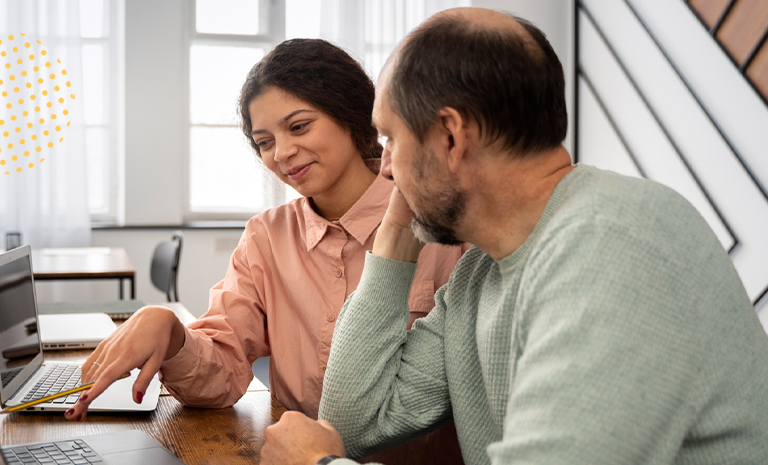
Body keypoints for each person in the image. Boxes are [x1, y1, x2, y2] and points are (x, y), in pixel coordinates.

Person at [260, 7, 768, 465]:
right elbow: (355, 422)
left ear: (451, 136)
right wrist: (394, 238)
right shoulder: (482, 271)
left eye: (391, 138)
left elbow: (335, 446)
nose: (386, 167)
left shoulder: (613, 241)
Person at [65, 38, 466, 463]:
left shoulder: (442, 226)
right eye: (264, 142)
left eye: (298, 126)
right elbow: (220, 374)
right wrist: (171, 333)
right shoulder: (266, 237)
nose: (282, 154)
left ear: (352, 114)